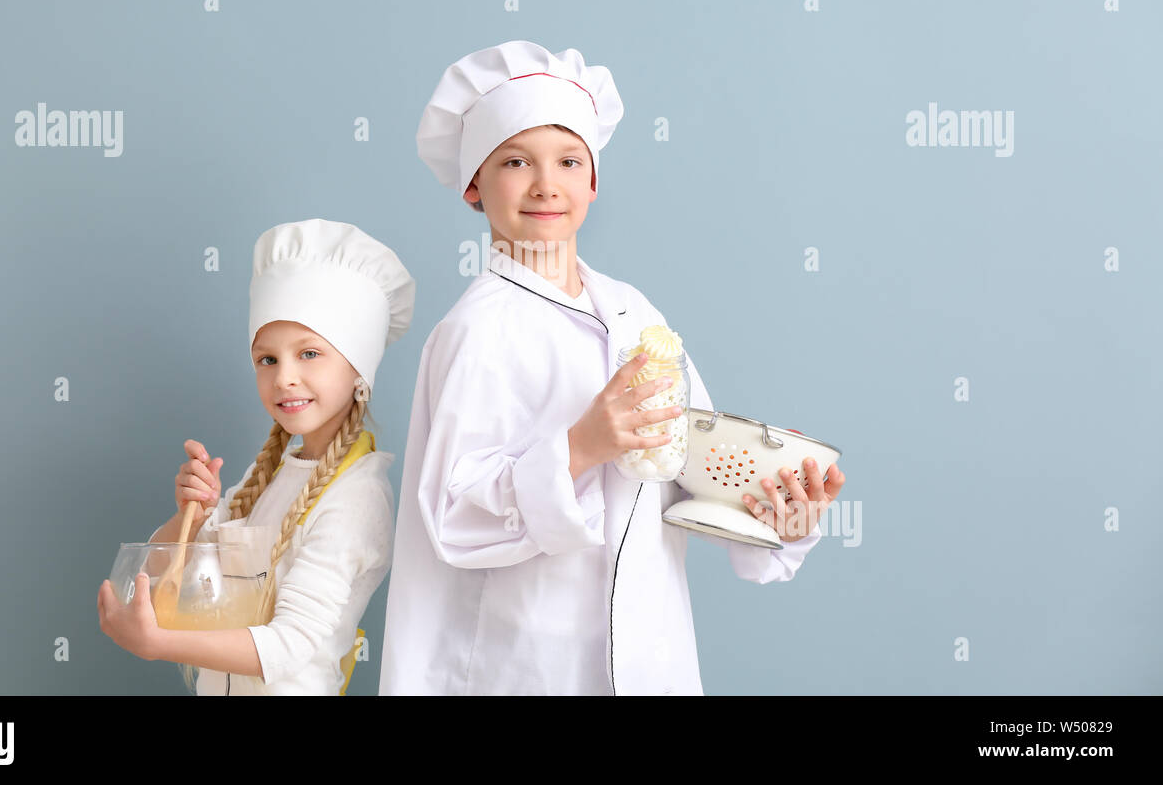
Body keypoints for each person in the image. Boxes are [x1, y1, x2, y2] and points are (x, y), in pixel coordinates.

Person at [379, 40, 845, 695]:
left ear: (593, 182)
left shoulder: (635, 314)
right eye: (516, 161)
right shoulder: (473, 332)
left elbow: (696, 475)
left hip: (652, 660)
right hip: (523, 668)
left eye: (569, 160)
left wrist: (780, 513)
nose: (547, 183)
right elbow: (452, 518)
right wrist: (578, 448)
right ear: (474, 188)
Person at [98, 219, 415, 695]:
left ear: (359, 371)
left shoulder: (357, 498)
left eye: (309, 354)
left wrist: (158, 644)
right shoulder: (265, 476)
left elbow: (289, 646)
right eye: (267, 359)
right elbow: (166, 579)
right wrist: (190, 515)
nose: (284, 377)